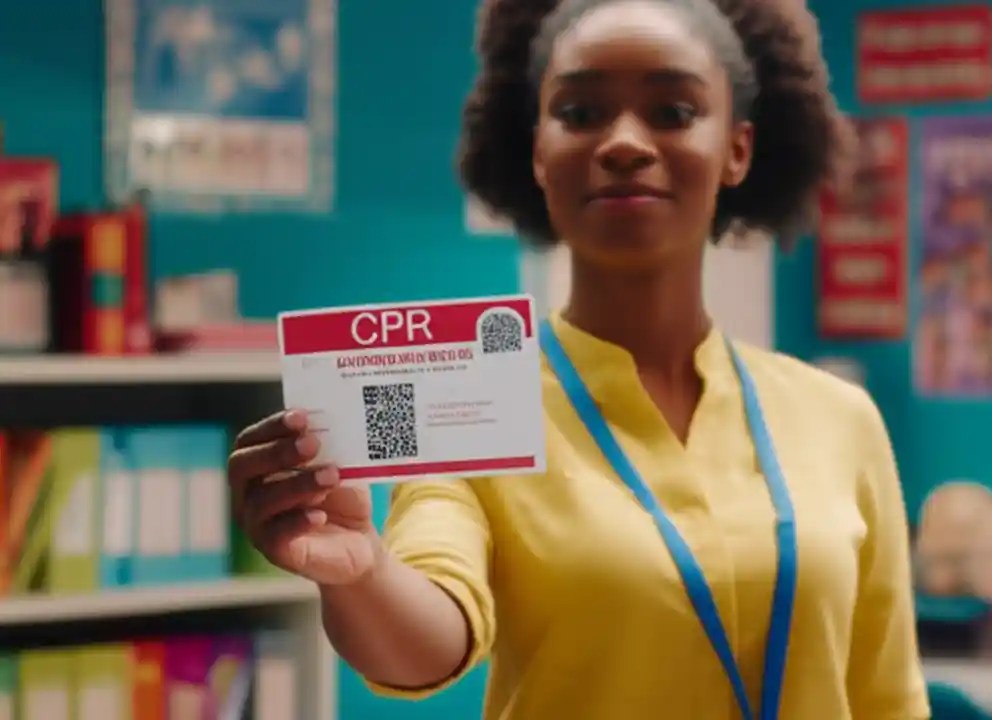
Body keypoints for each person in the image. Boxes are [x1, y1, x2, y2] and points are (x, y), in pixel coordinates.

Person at [226, 0, 929, 718]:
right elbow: (429, 637)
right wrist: (360, 572)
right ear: (537, 150)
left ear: (737, 149)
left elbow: (888, 697)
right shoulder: (473, 402)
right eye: (582, 112)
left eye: (675, 110)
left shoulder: (840, 419)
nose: (624, 141)